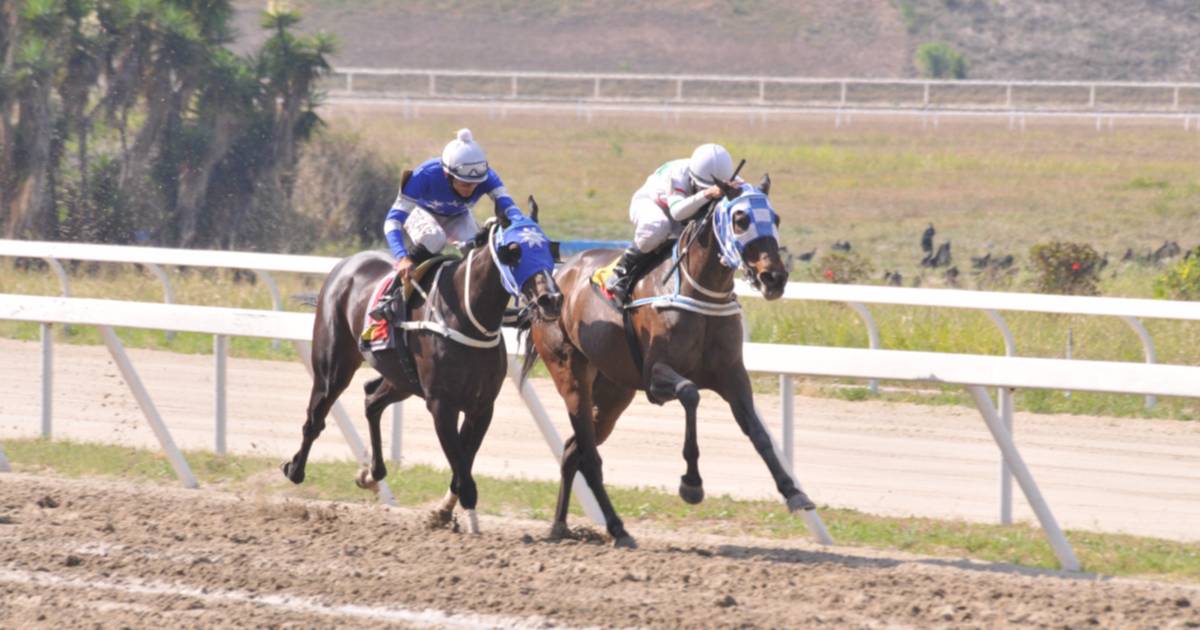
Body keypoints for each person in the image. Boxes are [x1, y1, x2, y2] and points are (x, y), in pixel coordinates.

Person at [371, 128, 523, 321]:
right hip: (421, 212)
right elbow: (392, 221)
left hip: (458, 215)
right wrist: (401, 256)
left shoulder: (487, 177)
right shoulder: (424, 175)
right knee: (434, 238)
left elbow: (510, 208)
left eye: (476, 184)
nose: (471, 189)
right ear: (447, 174)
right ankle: (390, 296)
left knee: (479, 250)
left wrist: (522, 226)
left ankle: (487, 307)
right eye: (465, 183)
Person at [604, 143, 736, 302]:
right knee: (658, 228)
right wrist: (707, 194)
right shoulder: (677, 175)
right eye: (703, 187)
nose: (714, 192)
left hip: (684, 211)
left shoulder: (725, 177)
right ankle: (620, 273)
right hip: (653, 204)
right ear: (693, 178)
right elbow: (678, 213)